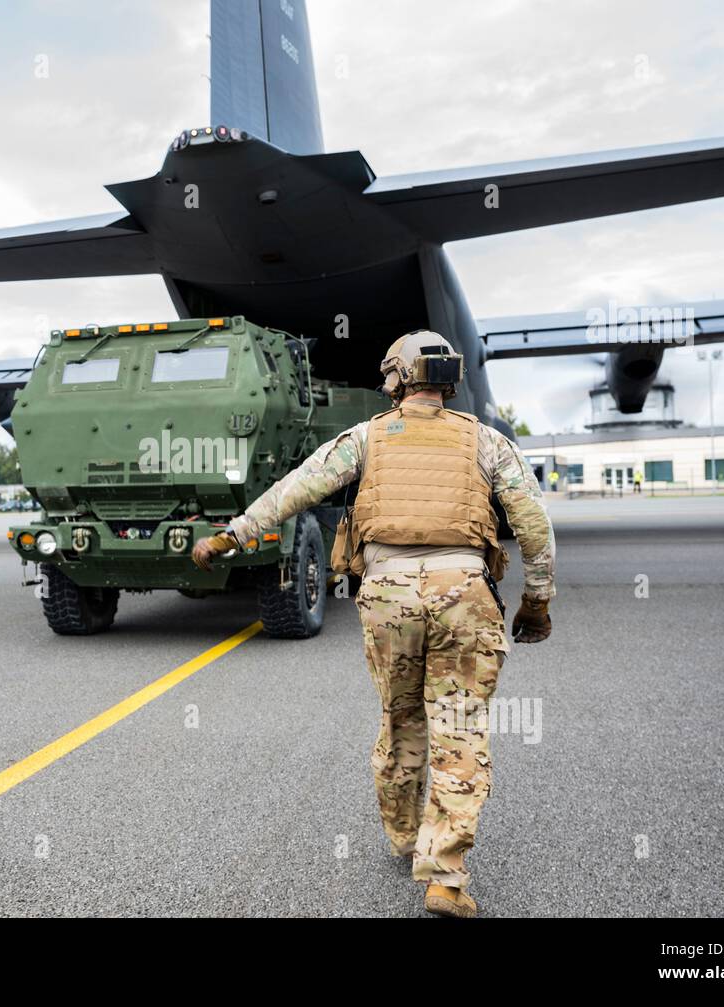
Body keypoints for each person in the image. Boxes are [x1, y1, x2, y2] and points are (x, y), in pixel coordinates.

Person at [193, 330, 555, 918]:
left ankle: (403, 834)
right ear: (450, 379)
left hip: (386, 596)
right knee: (460, 727)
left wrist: (232, 534)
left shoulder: (365, 439)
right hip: (464, 593)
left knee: (400, 715)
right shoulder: (488, 442)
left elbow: (295, 490)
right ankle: (444, 875)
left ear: (396, 378)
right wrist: (535, 601)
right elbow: (534, 527)